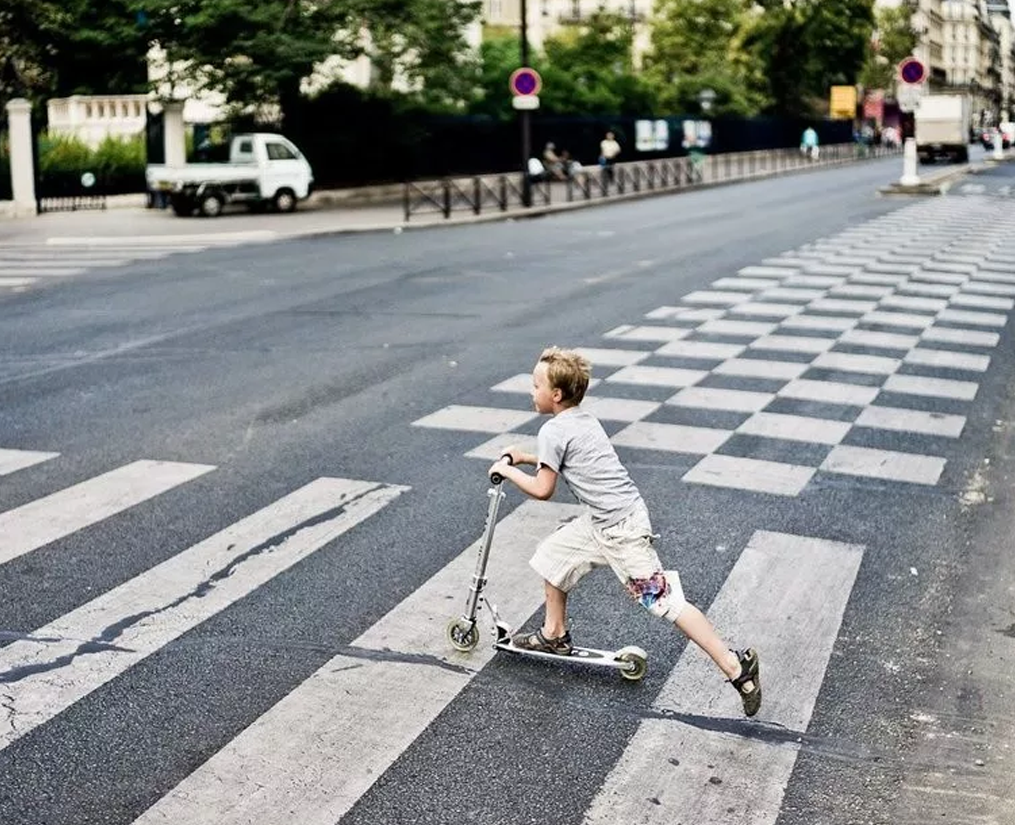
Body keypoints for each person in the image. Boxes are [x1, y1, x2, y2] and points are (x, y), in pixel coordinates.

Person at [489, 347, 762, 717]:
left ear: (555, 395)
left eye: (536, 385)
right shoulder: (583, 420)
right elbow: (568, 458)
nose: (531, 390)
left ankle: (735, 667)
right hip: (607, 520)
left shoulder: (553, 430)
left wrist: (508, 471)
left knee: (664, 603)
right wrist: (523, 456)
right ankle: (554, 635)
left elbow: (542, 489)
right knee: (552, 558)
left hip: (621, 531)